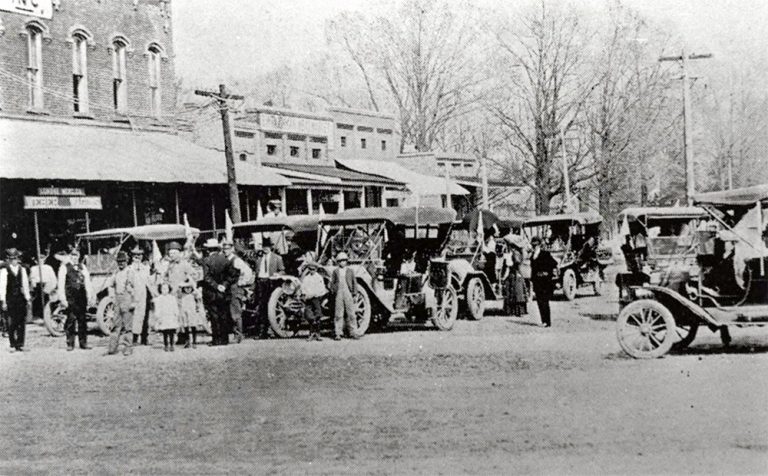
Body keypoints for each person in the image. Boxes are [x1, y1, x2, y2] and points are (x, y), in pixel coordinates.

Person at [201, 238, 239, 346]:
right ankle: (224, 339)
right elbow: (232, 275)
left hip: (211, 293)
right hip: (224, 292)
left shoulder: (206, 261)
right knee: (224, 315)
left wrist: (216, 286)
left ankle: (216, 339)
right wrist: (224, 285)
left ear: (208, 249)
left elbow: (206, 278)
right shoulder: (225, 260)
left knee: (214, 316)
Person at [160, 241, 196, 345]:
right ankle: (180, 337)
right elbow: (166, 277)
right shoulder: (170, 265)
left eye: (174, 253)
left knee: (184, 316)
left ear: (179, 253)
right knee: (175, 316)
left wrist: (185, 285)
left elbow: (194, 276)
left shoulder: (185, 264)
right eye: (170, 254)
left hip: (183, 295)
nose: (171, 256)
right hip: (172, 295)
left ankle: (187, 338)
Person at [58, 245, 94, 350]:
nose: (74, 257)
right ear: (69, 256)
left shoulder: (83, 267)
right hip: (70, 297)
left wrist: (89, 295)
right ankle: (70, 343)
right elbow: (61, 284)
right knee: (71, 320)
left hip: (81, 297)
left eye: (76, 255)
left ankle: (83, 343)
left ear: (79, 256)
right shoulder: (64, 267)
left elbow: (87, 282)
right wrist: (63, 299)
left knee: (82, 320)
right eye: (72, 255)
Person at [222, 239, 254, 343]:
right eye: (224, 248)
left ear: (232, 249)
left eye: (227, 248)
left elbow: (248, 271)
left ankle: (239, 335)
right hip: (227, 288)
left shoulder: (236, 260)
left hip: (235, 288)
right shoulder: (224, 259)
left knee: (235, 312)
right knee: (229, 312)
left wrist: (242, 282)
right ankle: (234, 333)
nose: (225, 250)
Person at [253, 237, 284, 339]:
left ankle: (271, 330)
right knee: (261, 307)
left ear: (270, 247)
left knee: (269, 306)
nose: (265, 249)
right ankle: (262, 332)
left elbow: (282, 270)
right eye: (263, 247)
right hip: (261, 282)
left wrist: (277, 274)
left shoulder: (277, 258)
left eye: (267, 247)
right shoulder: (259, 259)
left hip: (271, 283)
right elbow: (257, 272)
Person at [0, 248, 31, 352]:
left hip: (20, 298)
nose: (14, 261)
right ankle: (12, 344)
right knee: (12, 321)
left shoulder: (22, 270)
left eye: (16, 258)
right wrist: (3, 301)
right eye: (12, 259)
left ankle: (20, 343)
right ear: (8, 259)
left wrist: (27, 298)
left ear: (18, 259)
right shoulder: (5, 271)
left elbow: (25, 285)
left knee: (21, 321)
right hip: (10, 298)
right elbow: (2, 286)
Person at [105, 252, 135, 356]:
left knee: (128, 326)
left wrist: (133, 302)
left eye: (123, 261)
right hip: (117, 299)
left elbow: (134, 288)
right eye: (119, 262)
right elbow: (110, 284)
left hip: (127, 298)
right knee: (115, 325)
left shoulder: (130, 272)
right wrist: (112, 296)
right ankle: (112, 347)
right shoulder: (116, 272)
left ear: (127, 262)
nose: (121, 263)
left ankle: (128, 347)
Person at [329, 252, 358, 340]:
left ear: (346, 261)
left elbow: (354, 283)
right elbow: (332, 283)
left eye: (344, 260)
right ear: (338, 262)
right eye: (340, 261)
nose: (342, 262)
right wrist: (334, 289)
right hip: (339, 293)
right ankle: (338, 332)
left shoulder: (350, 271)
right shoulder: (335, 271)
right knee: (338, 314)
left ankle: (353, 332)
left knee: (351, 313)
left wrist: (355, 294)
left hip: (348, 292)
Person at [530, 237, 557, 328]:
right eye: (533, 245)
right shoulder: (532, 256)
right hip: (537, 281)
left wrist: (547, 273)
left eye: (536, 245)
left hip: (545, 281)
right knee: (539, 301)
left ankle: (547, 321)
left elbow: (554, 264)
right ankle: (543, 320)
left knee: (544, 301)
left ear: (539, 245)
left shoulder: (545, 254)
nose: (534, 247)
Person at [129, 246, 152, 346]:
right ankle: (135, 338)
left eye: (139, 255)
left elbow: (149, 281)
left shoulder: (146, 268)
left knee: (145, 317)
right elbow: (128, 283)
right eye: (135, 255)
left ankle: (144, 338)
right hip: (134, 296)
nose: (137, 257)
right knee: (135, 317)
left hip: (145, 295)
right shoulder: (129, 269)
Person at [300, 260, 327, 341]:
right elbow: (303, 287)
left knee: (318, 314)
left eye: (313, 269)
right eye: (310, 269)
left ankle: (318, 333)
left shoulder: (319, 278)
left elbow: (322, 288)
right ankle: (311, 333)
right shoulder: (306, 278)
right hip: (308, 299)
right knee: (308, 314)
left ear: (316, 269)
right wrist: (305, 294)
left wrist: (316, 294)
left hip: (316, 298)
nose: (312, 271)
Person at [501, 242, 527, 317]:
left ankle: (512, 311)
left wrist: (504, 277)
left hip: (513, 274)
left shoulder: (513, 254)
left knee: (513, 293)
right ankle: (519, 311)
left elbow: (509, 266)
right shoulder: (519, 253)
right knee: (519, 293)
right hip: (518, 274)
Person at [29, 252, 56, 320]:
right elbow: (31, 278)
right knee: (37, 300)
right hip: (37, 286)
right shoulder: (33, 268)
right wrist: (33, 284)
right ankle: (37, 316)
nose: (40, 261)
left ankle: (46, 316)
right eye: (38, 260)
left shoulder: (48, 268)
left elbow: (53, 279)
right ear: (36, 261)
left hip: (47, 285)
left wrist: (50, 287)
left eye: (42, 259)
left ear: (44, 260)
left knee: (46, 300)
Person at [177, 277, 204, 348]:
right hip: (184, 312)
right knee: (186, 326)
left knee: (193, 326)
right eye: (186, 288)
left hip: (192, 312)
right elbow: (178, 298)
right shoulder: (182, 296)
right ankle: (187, 341)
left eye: (189, 287)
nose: (188, 289)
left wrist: (194, 287)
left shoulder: (193, 295)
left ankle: (194, 341)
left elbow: (199, 296)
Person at [154, 281, 180, 352]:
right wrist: (158, 316)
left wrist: (176, 314)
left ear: (169, 289)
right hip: (163, 317)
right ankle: (166, 345)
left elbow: (175, 307)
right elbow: (157, 308)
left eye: (166, 289)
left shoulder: (172, 298)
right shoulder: (159, 298)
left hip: (171, 317)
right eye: (163, 289)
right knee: (165, 332)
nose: (164, 290)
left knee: (171, 331)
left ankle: (172, 344)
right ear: (160, 289)